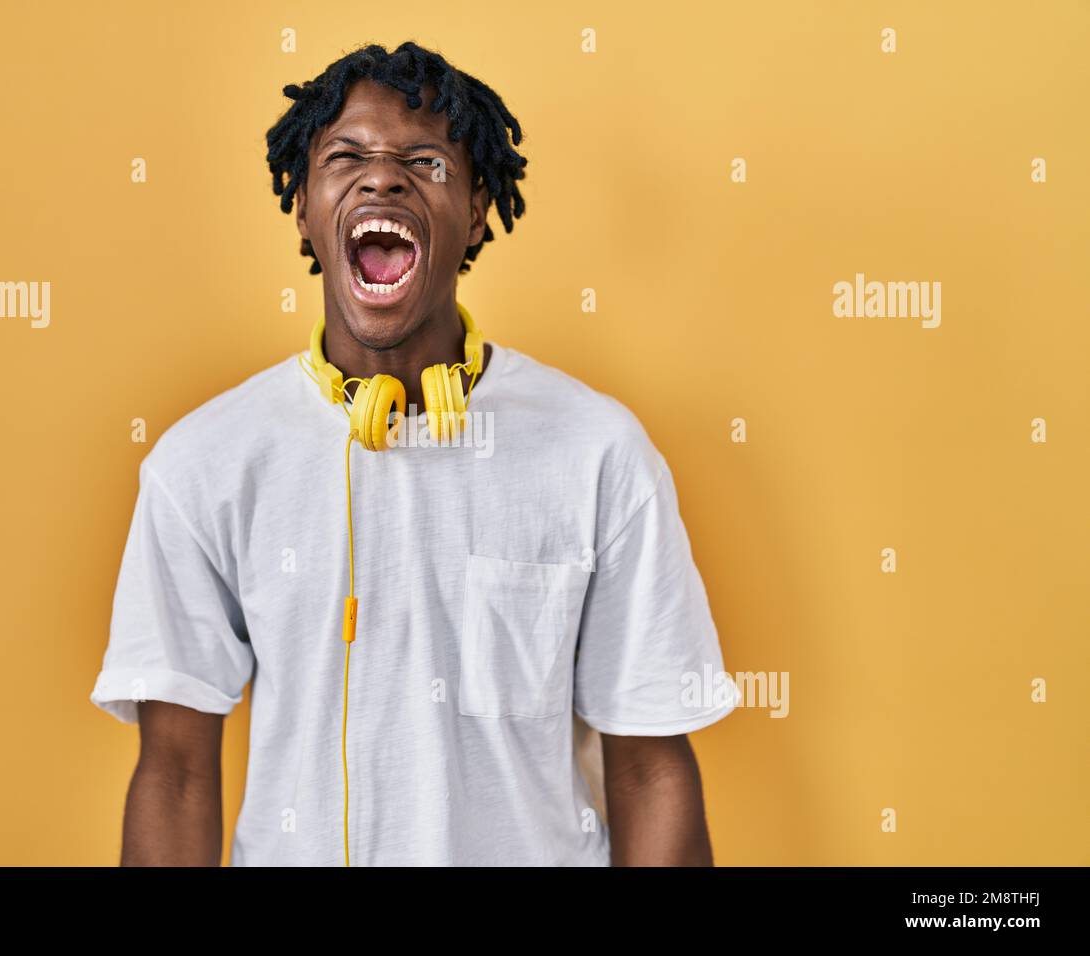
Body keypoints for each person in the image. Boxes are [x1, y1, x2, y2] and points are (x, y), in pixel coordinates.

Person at [91, 41, 735, 866]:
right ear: (305, 206)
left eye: (425, 161)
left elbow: (649, 769)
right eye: (345, 157)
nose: (383, 178)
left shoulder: (599, 452)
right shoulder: (203, 465)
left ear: (474, 213)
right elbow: (176, 772)